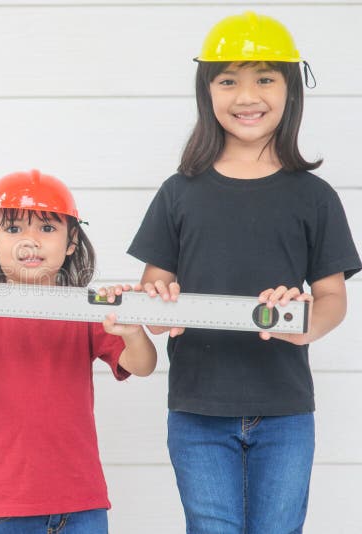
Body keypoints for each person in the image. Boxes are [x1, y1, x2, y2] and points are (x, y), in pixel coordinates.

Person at [127, 11, 361, 534]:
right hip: (197, 411)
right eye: (228, 80)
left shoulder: (313, 197)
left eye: (264, 78)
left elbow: (330, 299)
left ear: (291, 89)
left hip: (285, 412)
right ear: (206, 91)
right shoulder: (179, 192)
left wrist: (303, 324)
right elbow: (151, 293)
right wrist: (160, 307)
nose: (246, 95)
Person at [0, 170, 157, 533]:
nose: (30, 241)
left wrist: (133, 332)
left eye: (47, 229)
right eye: (13, 230)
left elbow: (144, 364)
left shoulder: (85, 309)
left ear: (72, 242)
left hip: (81, 501)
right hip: (7, 504)